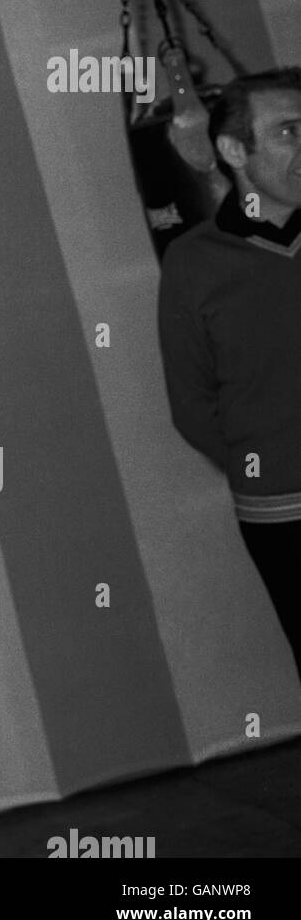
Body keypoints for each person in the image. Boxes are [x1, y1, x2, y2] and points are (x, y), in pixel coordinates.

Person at [157, 67, 301, 679]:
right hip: (284, 512)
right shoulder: (195, 263)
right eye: (291, 132)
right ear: (234, 151)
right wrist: (263, 466)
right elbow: (191, 404)